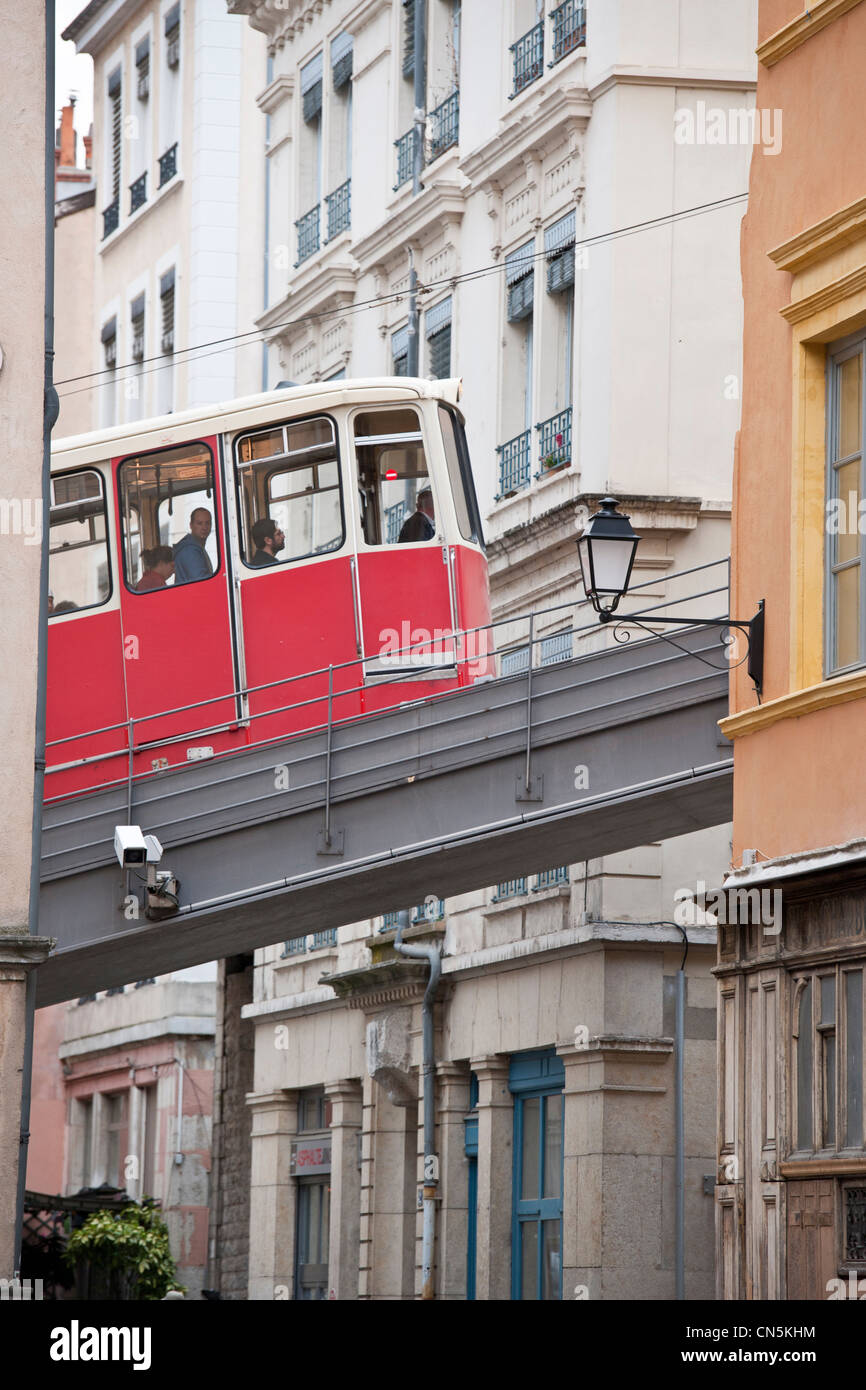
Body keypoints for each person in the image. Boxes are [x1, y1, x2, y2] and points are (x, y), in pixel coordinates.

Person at [172, 508, 213, 584]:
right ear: (191, 525)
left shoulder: (196, 547)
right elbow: (202, 583)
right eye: (199, 523)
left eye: (207, 523)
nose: (204, 527)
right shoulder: (189, 551)